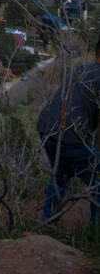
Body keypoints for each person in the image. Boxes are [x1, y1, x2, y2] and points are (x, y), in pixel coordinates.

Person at [37, 37, 100, 224]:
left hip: (47, 129)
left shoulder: (80, 70)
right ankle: (94, 231)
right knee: (97, 181)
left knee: (61, 176)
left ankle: (48, 223)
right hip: (72, 137)